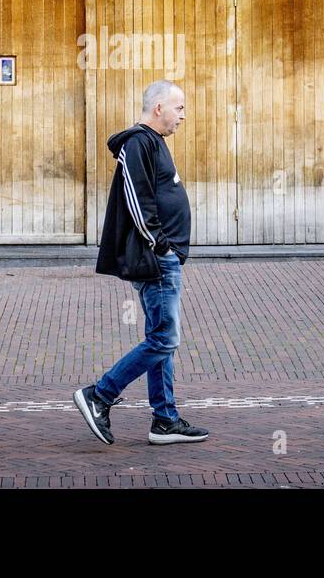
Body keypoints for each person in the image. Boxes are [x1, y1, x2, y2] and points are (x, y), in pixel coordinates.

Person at [73, 80, 209, 446]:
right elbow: (137, 200)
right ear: (159, 108)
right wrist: (161, 247)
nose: (183, 115)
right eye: (179, 108)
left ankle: (164, 420)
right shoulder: (138, 142)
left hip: (166, 261)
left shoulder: (155, 144)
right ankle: (99, 395)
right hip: (159, 263)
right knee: (164, 339)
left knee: (160, 339)